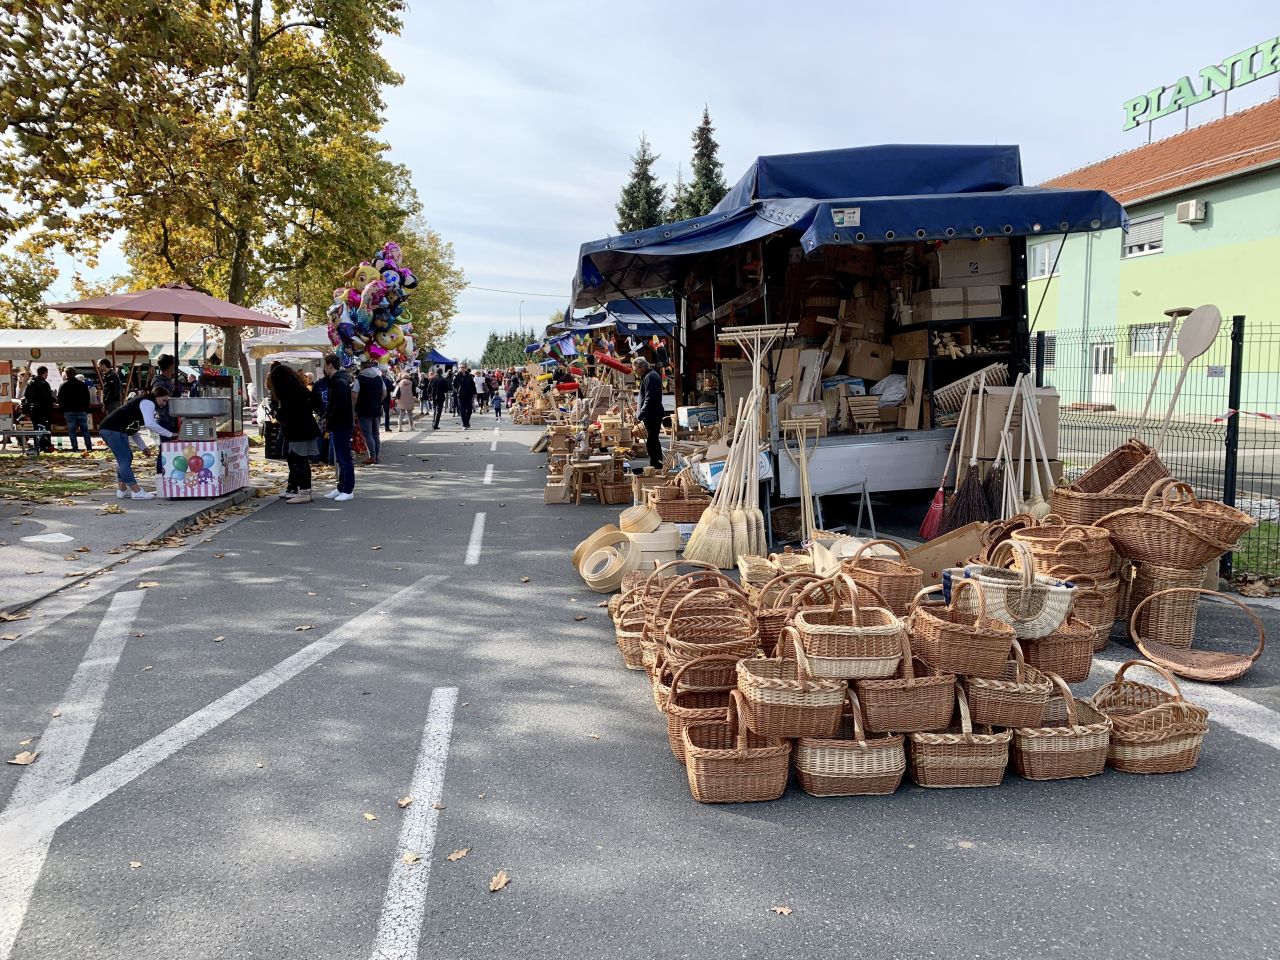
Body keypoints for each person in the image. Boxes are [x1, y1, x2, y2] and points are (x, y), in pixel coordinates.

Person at [98, 386, 175, 499]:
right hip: (112, 429)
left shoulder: (141, 404)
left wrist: (143, 447)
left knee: (127, 457)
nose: (164, 404)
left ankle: (122, 489)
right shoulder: (148, 402)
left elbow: (133, 429)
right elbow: (150, 424)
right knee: (124, 459)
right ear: (156, 396)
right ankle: (136, 491)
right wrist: (169, 434)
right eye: (163, 400)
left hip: (114, 429)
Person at [268, 364, 321, 503]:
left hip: (298, 430)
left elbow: (287, 413)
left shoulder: (289, 394)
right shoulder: (300, 390)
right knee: (300, 460)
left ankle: (304, 491)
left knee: (299, 460)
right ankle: (304, 491)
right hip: (305, 428)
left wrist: (279, 415)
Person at [319, 354, 356, 501]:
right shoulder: (339, 380)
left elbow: (338, 405)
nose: (324, 368)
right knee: (341, 458)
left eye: (325, 365)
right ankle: (342, 487)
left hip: (341, 424)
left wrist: (328, 416)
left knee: (344, 457)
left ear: (329, 365)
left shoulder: (339, 382)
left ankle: (348, 489)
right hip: (340, 423)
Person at [635, 357, 665, 470]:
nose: (636, 372)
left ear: (642, 368)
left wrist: (641, 414)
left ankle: (656, 466)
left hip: (653, 414)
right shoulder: (649, 375)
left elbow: (649, 398)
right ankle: (656, 465)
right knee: (652, 441)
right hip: (652, 414)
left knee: (652, 441)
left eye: (636, 370)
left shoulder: (650, 377)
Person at [354, 359, 385, 464]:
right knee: (376, 433)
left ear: (362, 366)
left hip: (363, 410)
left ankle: (372, 456)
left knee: (368, 434)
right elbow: (384, 393)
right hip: (376, 409)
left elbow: (354, 395)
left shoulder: (359, 379)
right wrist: (377, 401)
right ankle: (377, 455)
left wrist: (353, 408)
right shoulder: (379, 378)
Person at [57, 367, 94, 452]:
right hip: (81, 410)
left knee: (72, 430)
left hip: (69, 411)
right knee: (85, 430)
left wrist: (63, 409)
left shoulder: (63, 385)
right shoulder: (82, 384)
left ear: (66, 374)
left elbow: (60, 398)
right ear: (75, 373)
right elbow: (87, 398)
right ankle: (89, 447)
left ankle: (75, 447)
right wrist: (85, 408)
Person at [21, 366, 54, 452]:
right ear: (44, 373)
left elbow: (26, 396)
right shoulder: (44, 384)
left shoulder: (30, 382)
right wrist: (53, 400)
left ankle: (37, 445)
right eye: (47, 373)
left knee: (36, 428)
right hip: (43, 409)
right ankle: (45, 446)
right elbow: (47, 397)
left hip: (33, 409)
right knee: (45, 427)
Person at [455, 362, 477, 430]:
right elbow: (453, 385)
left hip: (469, 395)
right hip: (460, 395)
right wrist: (457, 391)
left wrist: (474, 393)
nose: (462, 369)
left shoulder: (469, 376)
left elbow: (473, 385)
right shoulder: (456, 375)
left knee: (470, 410)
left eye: (463, 367)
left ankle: (467, 421)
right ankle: (464, 424)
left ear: (466, 368)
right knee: (462, 410)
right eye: (461, 367)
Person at [381, 367, 394, 431]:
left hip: (378, 398)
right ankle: (387, 427)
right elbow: (392, 388)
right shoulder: (387, 380)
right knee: (386, 413)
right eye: (385, 372)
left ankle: (376, 428)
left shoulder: (376, 379)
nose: (386, 373)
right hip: (386, 398)